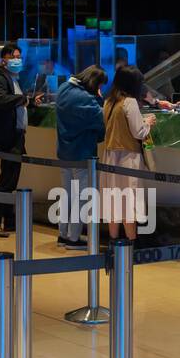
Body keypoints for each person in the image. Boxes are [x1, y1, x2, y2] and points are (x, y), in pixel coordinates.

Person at [54, 65, 107, 249]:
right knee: (82, 197)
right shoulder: (86, 99)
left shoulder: (63, 89)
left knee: (67, 194)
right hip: (83, 152)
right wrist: (100, 101)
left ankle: (62, 234)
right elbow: (101, 123)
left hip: (64, 152)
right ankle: (73, 238)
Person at [101, 65, 156, 242]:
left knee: (113, 201)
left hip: (110, 156)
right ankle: (131, 244)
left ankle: (113, 241)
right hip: (128, 158)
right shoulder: (129, 102)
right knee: (129, 202)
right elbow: (138, 132)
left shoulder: (109, 101)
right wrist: (148, 122)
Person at [0, 44, 32, 237]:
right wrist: (22, 99)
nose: (18, 60)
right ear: (5, 58)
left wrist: (29, 102)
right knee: (6, 180)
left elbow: (16, 102)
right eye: (15, 56)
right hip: (7, 136)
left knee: (11, 179)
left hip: (17, 134)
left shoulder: (13, 78)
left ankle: (8, 222)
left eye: (20, 56)